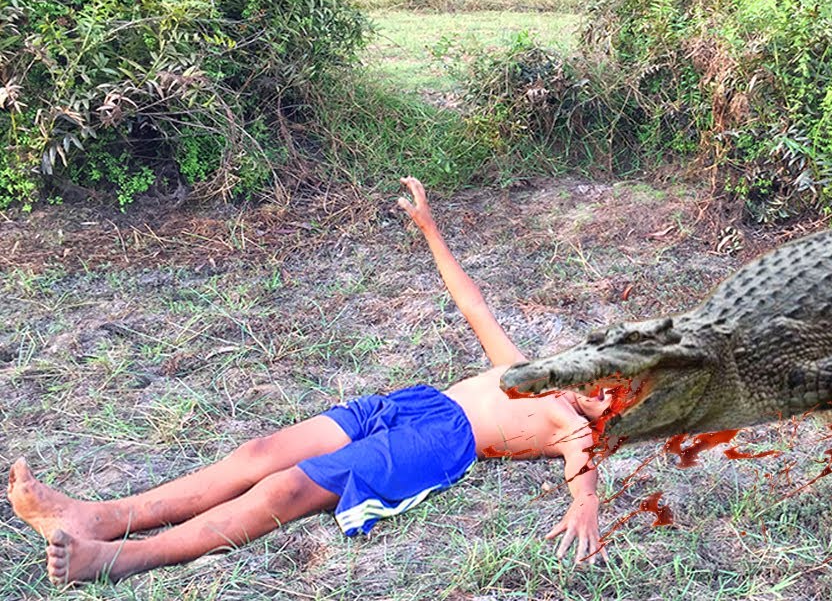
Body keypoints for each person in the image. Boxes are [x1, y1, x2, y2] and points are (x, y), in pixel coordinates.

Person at [9, 177, 615, 585]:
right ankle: (96, 517)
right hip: (412, 405)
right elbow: (474, 305)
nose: (597, 383)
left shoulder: (572, 427)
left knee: (285, 491)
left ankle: (115, 559)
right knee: (261, 453)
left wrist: (586, 505)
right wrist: (430, 228)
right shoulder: (528, 372)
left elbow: (582, 473)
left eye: (613, 391)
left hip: (439, 445)